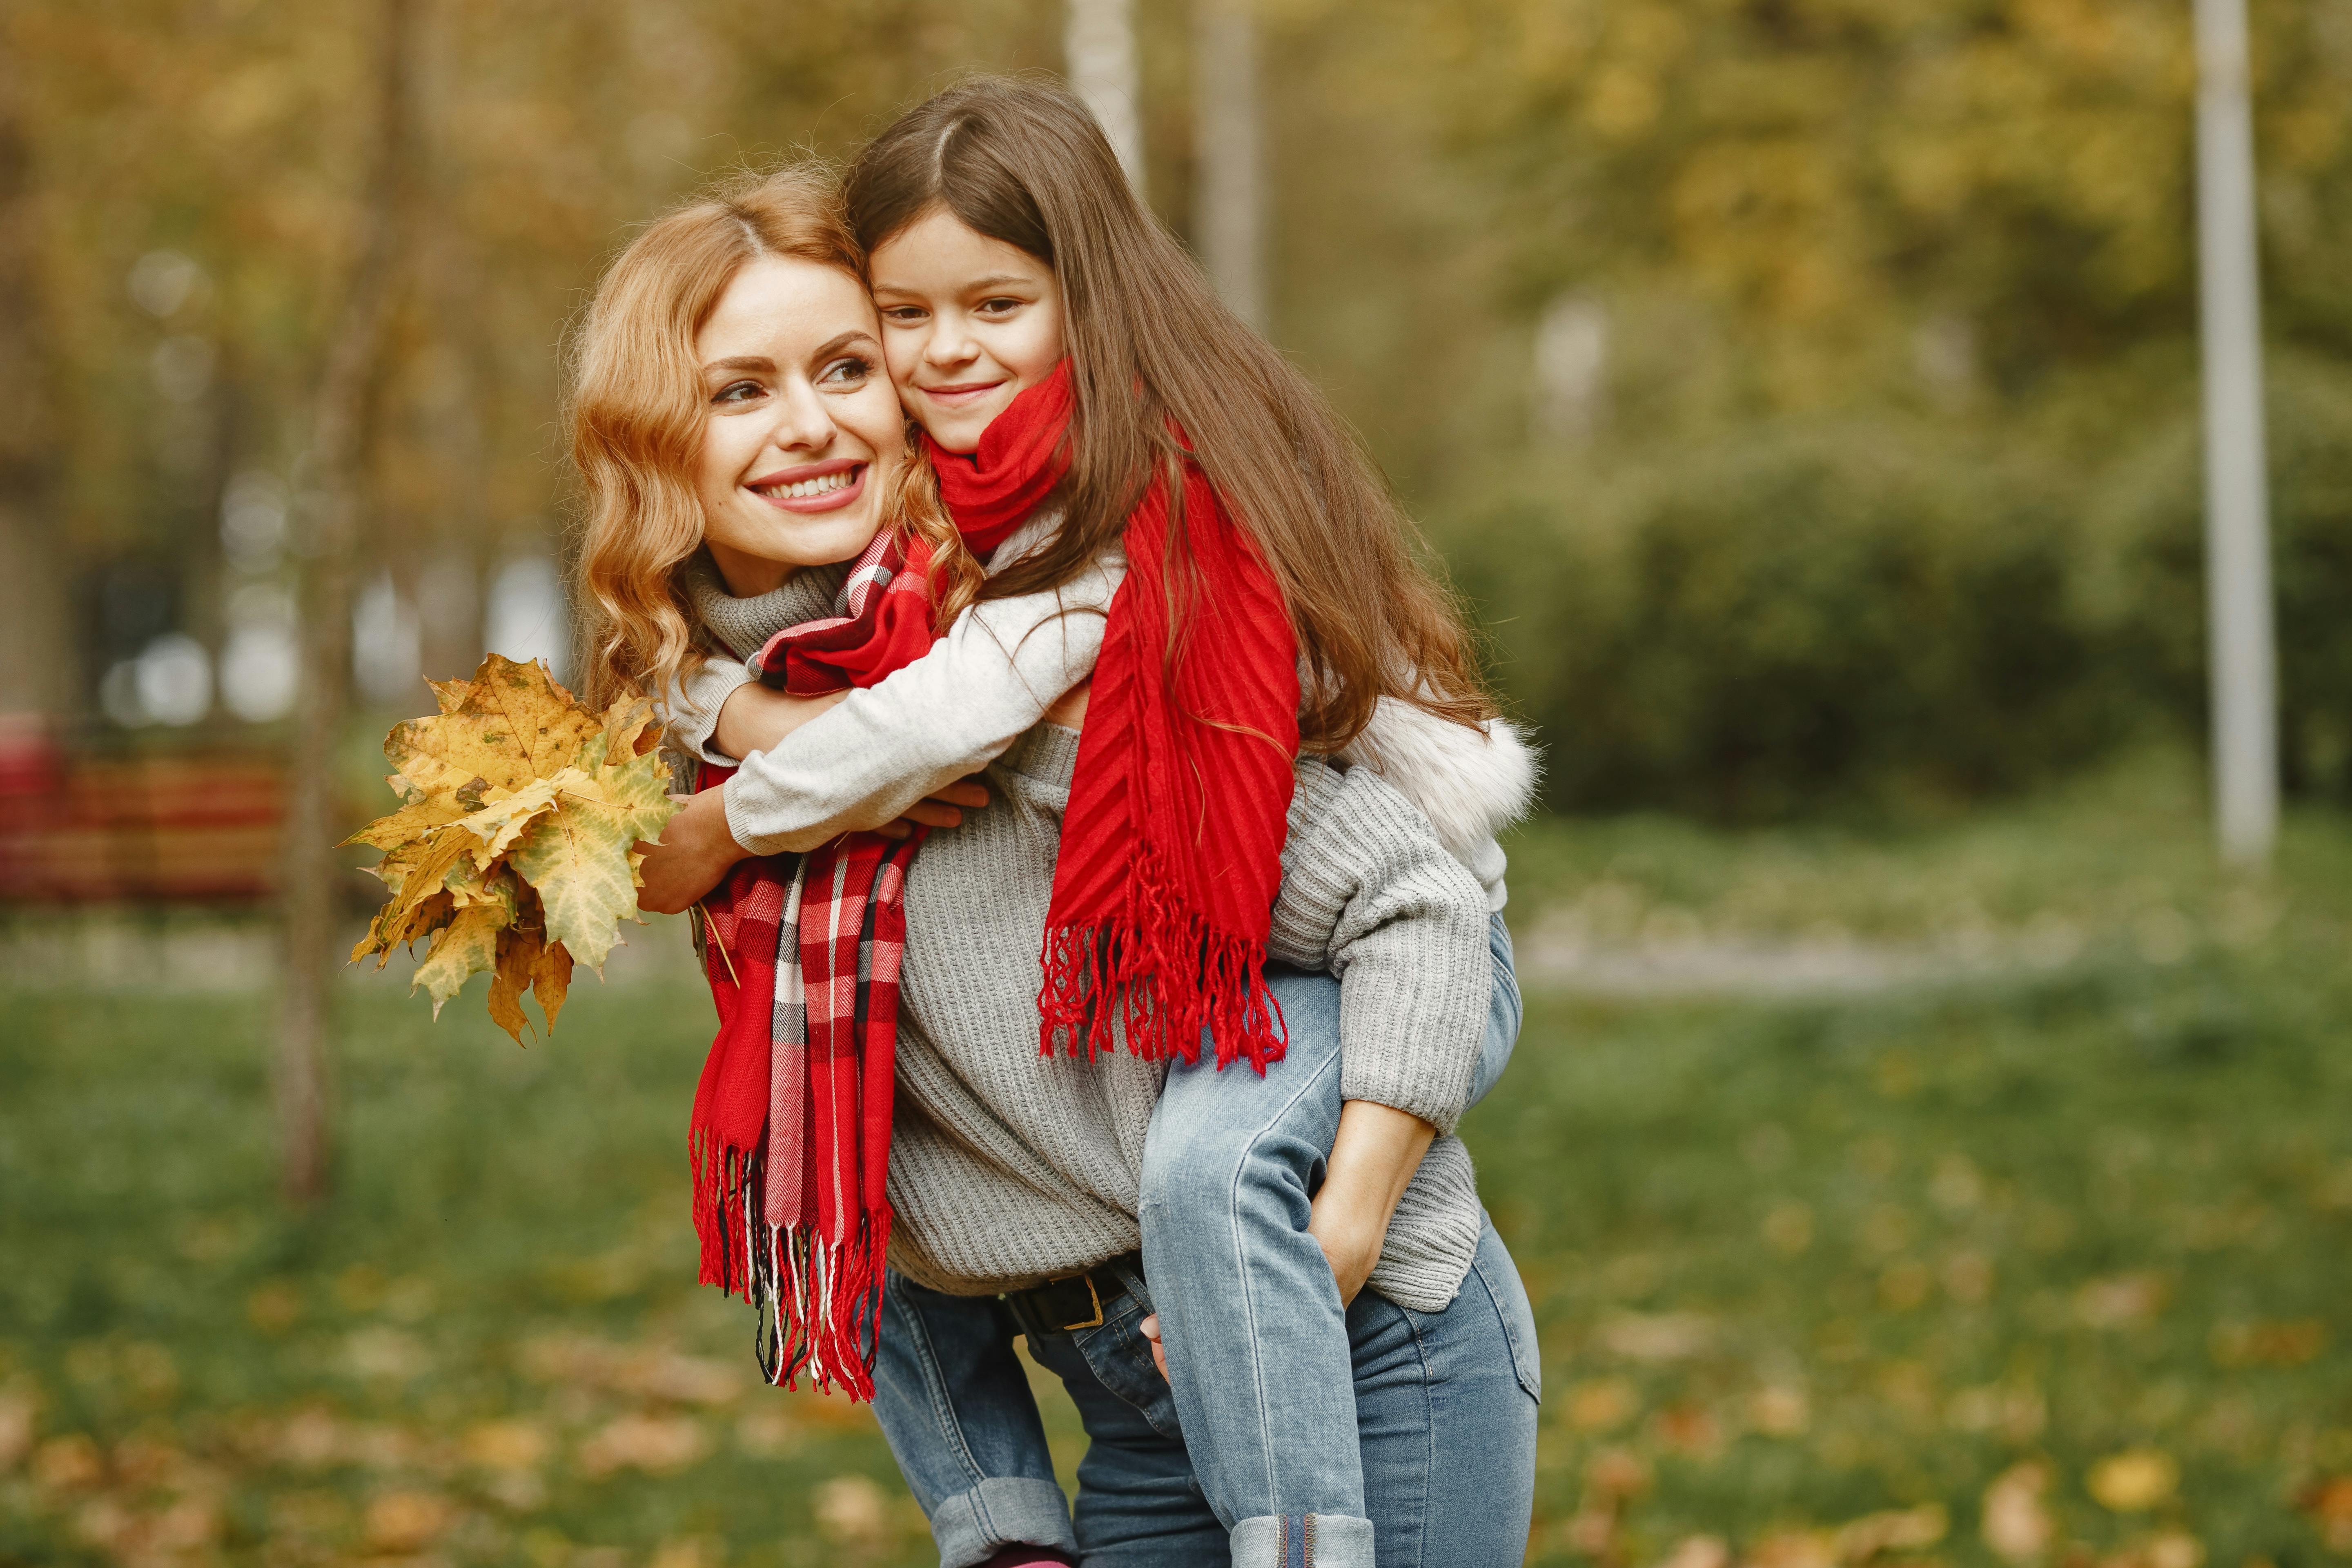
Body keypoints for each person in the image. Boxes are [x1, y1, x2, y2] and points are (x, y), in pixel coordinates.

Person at [578, 91, 1538, 1568]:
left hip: (1362, 1361)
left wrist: (1344, 1223)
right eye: (739, 391)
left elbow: (1417, 903)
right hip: (1124, 1406)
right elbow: (861, 1166)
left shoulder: (1051, 674)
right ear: (654, 439)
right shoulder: (721, 746)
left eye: (845, 364)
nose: (818, 421)